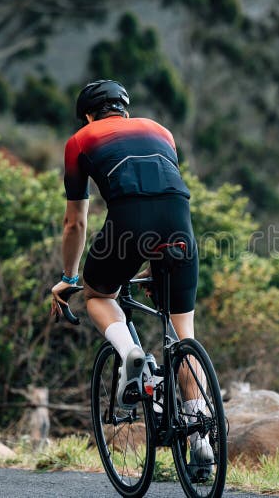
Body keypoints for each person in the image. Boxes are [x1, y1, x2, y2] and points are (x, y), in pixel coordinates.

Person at [49, 79, 212, 470]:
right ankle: (202, 442)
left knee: (98, 295)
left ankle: (130, 353)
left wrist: (70, 277)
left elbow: (76, 222)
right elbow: (161, 191)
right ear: (124, 107)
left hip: (128, 227)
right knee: (182, 335)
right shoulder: (160, 131)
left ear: (88, 114)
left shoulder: (81, 140)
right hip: (180, 228)